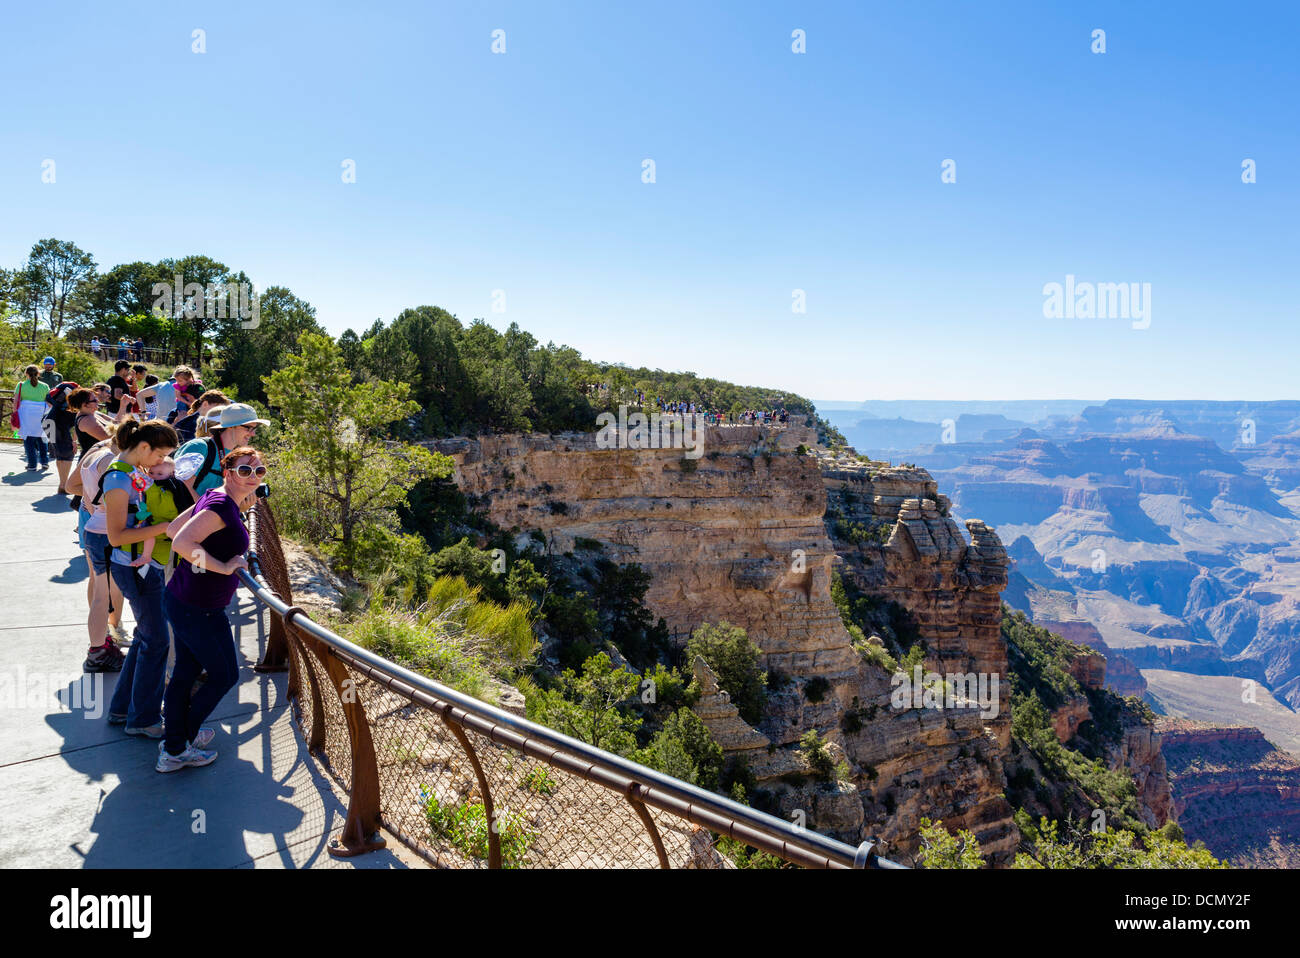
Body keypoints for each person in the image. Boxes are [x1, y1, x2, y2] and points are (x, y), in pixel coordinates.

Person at [159, 446, 263, 771]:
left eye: (259, 471)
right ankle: (178, 744)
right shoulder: (220, 505)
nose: (254, 477)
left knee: (185, 674)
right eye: (245, 471)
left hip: (190, 601)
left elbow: (174, 528)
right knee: (224, 675)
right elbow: (180, 543)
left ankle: (176, 742)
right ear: (229, 472)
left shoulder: (215, 495)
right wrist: (224, 566)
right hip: (196, 606)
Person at [90, 420, 179, 734]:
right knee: (157, 642)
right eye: (160, 455)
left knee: (145, 638)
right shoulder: (118, 479)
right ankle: (143, 719)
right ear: (144, 447)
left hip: (143, 568)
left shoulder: (131, 473)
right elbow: (116, 536)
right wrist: (169, 527)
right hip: (134, 570)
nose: (160, 463)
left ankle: (120, 710)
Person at [175, 403, 268, 497]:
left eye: (254, 428)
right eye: (248, 428)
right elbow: (182, 488)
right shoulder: (199, 447)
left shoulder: (237, 456)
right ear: (231, 426)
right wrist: (208, 511)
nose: (253, 434)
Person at [44, 378, 80, 493]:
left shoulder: (67, 397)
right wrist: (74, 442)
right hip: (57, 426)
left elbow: (48, 400)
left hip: (48, 423)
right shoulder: (82, 402)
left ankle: (62, 484)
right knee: (68, 453)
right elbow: (78, 424)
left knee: (61, 453)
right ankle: (64, 486)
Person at [14, 365, 50, 470]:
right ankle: (44, 462)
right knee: (42, 439)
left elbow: (16, 401)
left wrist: (15, 414)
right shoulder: (45, 386)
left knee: (29, 441)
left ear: (26, 374)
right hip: (41, 415)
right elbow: (48, 401)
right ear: (38, 374)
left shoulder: (21, 385)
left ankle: (32, 464)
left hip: (26, 415)